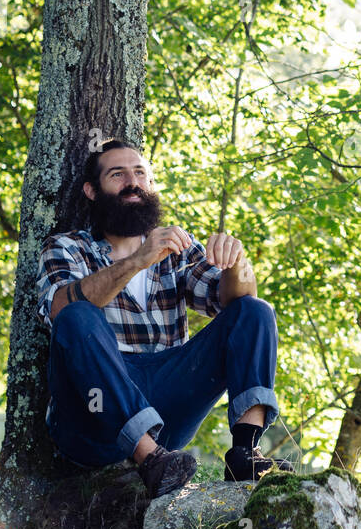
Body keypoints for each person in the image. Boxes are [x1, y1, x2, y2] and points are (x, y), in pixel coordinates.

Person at [35, 138, 293, 498]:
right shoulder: (65, 247)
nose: (133, 182)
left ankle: (245, 453)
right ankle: (151, 461)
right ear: (92, 191)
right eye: (118, 174)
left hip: (166, 409)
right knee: (78, 314)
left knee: (256, 310)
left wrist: (238, 263)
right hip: (91, 421)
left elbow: (233, 302)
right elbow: (60, 309)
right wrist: (138, 259)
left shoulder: (177, 249)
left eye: (140, 173)